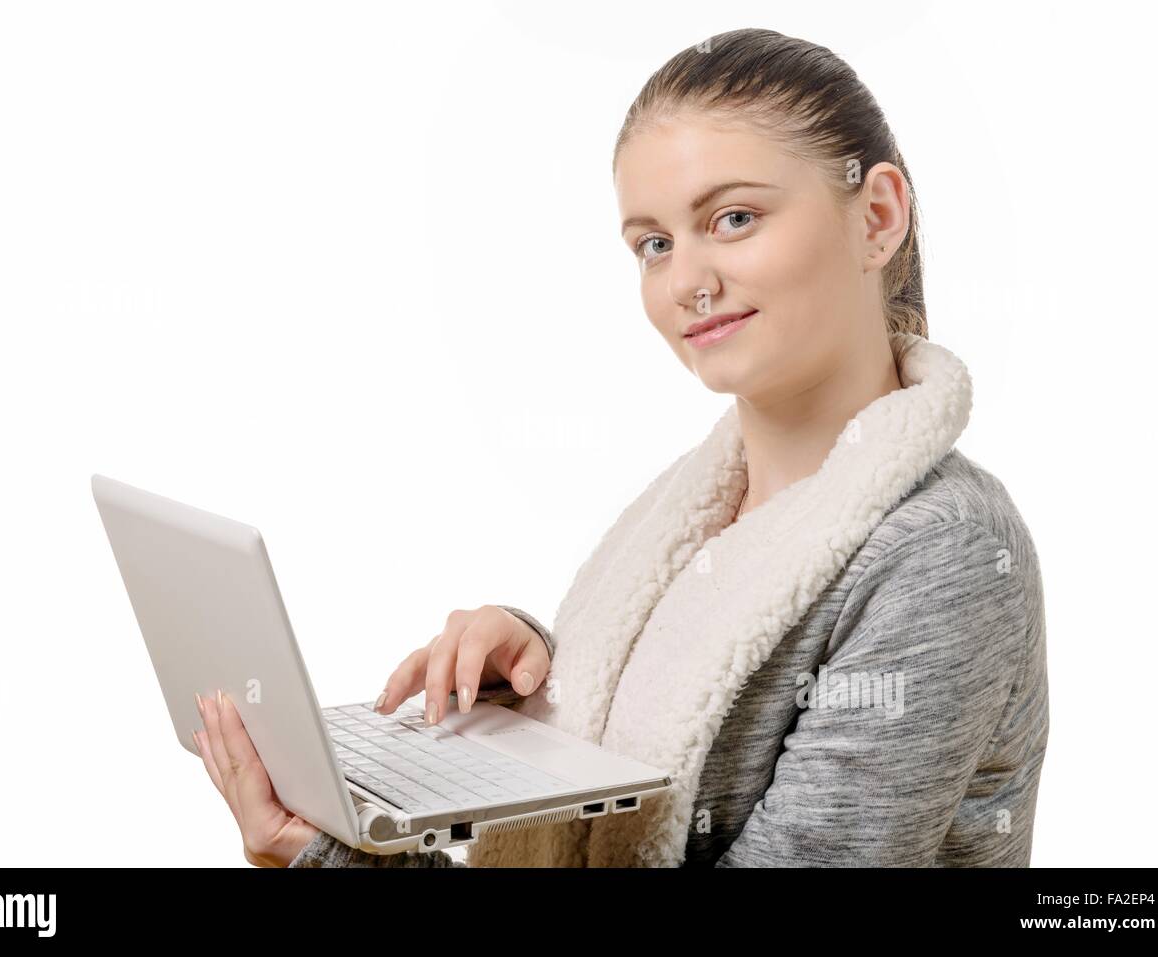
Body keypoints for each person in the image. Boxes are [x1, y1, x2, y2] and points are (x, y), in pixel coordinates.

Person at [193, 27, 1048, 868]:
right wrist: (536, 690)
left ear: (878, 216)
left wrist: (338, 866)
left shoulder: (947, 551)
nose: (687, 280)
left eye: (735, 217)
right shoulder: (693, 515)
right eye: (655, 244)